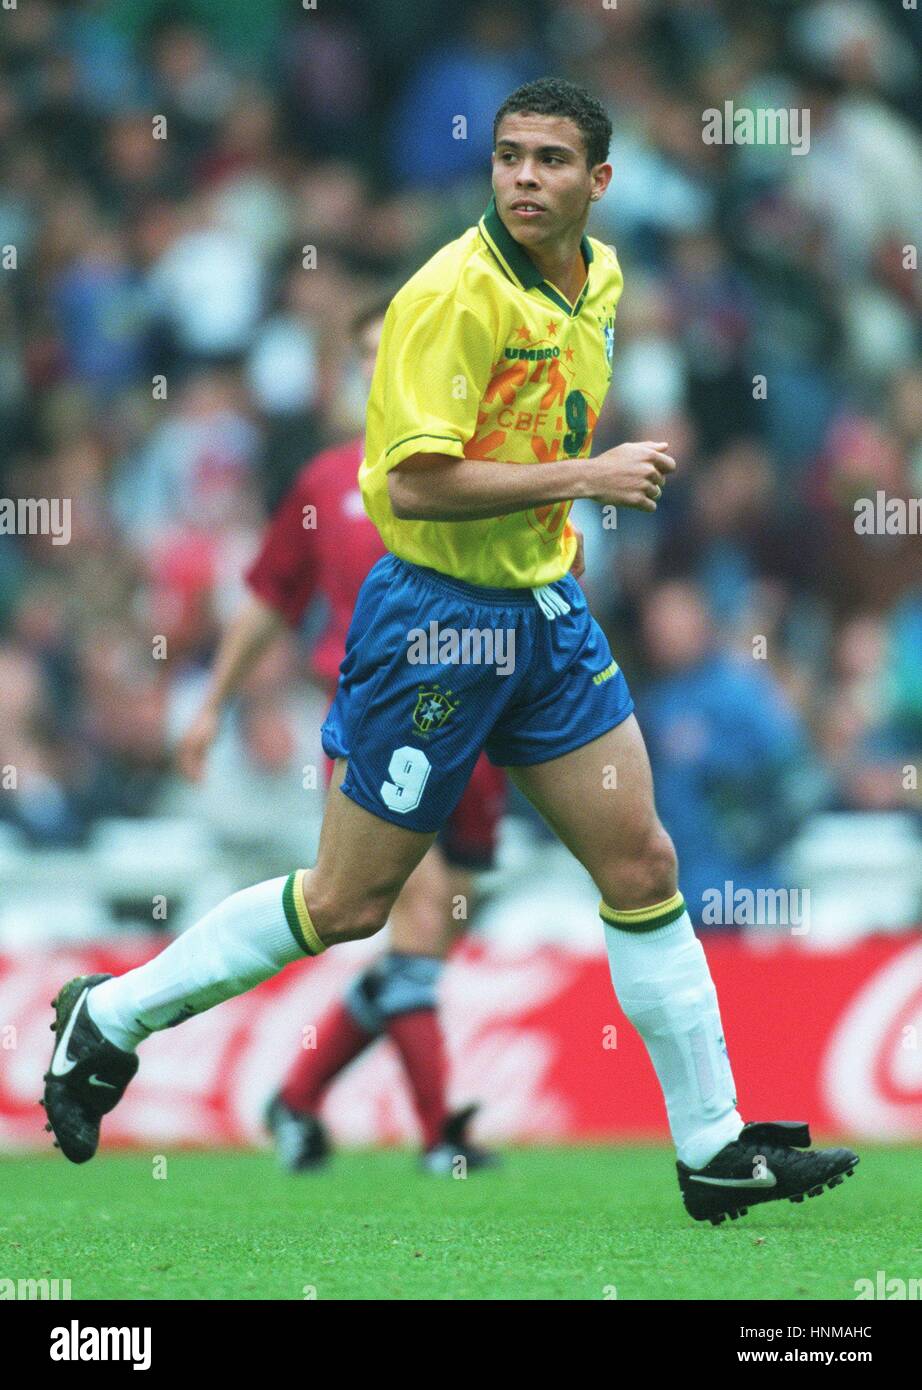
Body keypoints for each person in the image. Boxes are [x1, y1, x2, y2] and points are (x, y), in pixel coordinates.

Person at [44, 77, 858, 1224]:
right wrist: (584, 479)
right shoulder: (449, 294)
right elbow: (416, 482)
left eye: (551, 161)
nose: (525, 177)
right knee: (346, 902)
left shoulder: (604, 279)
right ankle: (108, 1017)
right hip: (433, 619)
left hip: (542, 613)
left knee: (644, 866)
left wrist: (556, 532)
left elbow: (540, 418)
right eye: (510, 156)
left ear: (598, 181)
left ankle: (714, 1144)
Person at [177, 300, 503, 1173]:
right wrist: (212, 703)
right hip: (374, 722)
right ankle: (441, 1142)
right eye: (369, 354)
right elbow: (271, 598)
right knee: (421, 911)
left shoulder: (473, 473)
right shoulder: (329, 483)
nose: (383, 367)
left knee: (426, 938)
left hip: (476, 731)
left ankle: (296, 1100)